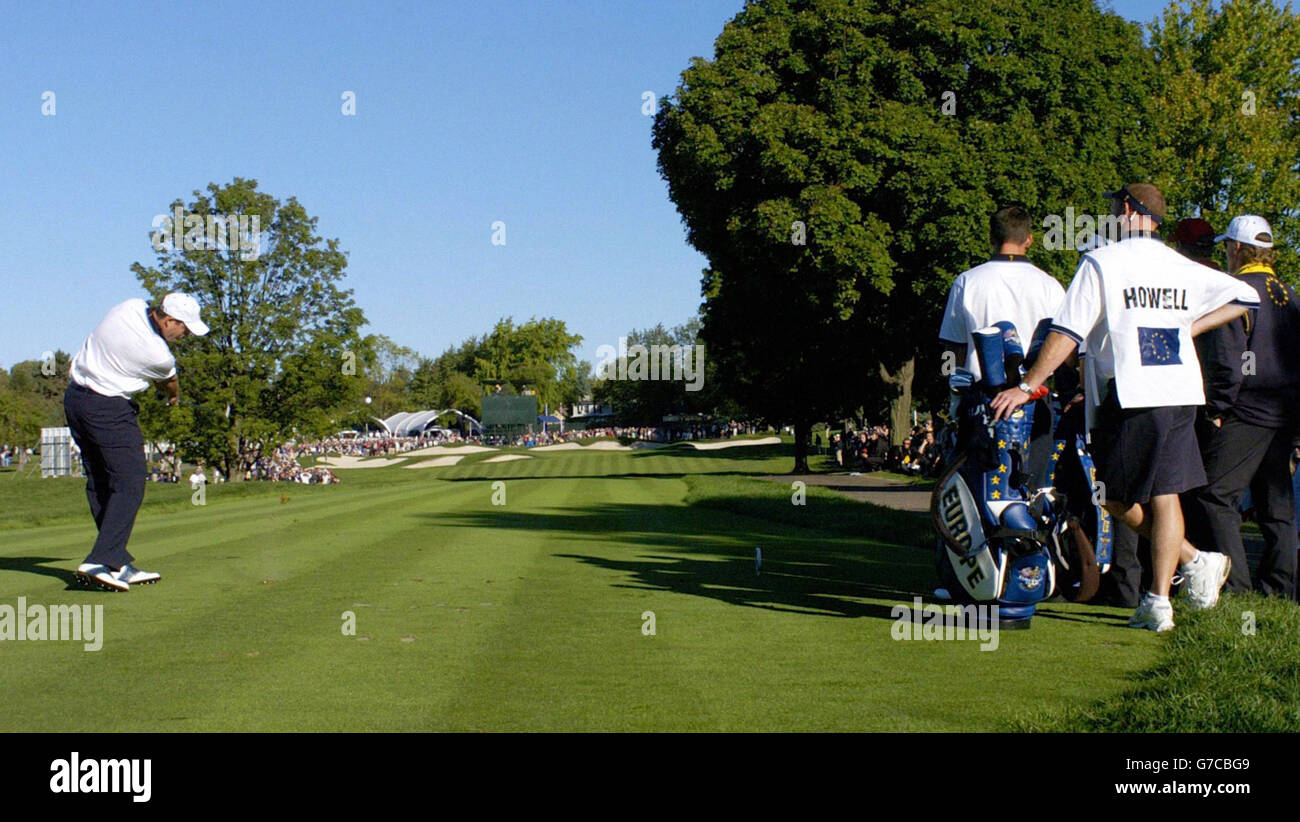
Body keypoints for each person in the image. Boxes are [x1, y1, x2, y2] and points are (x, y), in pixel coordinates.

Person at [991, 184, 1259, 631]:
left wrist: (1028, 384)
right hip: (1177, 387)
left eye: (1116, 207)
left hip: (1132, 390)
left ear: (1130, 212)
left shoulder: (1103, 262)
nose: (1111, 213)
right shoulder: (1179, 264)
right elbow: (1243, 297)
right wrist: (1187, 327)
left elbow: (1068, 333)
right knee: (1165, 493)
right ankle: (1165, 594)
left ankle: (1184, 571)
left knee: (1116, 498)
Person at [1185, 216, 1299, 598]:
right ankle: (1279, 589)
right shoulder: (1290, 295)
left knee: (1216, 496)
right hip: (1283, 413)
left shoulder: (1236, 292)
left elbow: (1227, 361)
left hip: (1245, 411)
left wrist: (1216, 408)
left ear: (1235, 248)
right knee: (1276, 506)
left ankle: (1236, 589)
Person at [65, 293, 208, 591]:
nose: (185, 335)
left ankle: (116, 562)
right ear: (169, 320)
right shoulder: (159, 354)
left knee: (100, 481)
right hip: (108, 409)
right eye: (184, 328)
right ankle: (99, 560)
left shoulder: (127, 306)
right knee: (130, 481)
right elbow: (170, 380)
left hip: (75, 400)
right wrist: (173, 397)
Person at [939, 205, 1066, 384]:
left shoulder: (966, 281)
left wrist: (951, 384)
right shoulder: (1050, 285)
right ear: (1029, 240)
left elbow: (951, 346)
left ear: (991, 239)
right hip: (1033, 392)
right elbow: (1063, 345)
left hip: (982, 394)